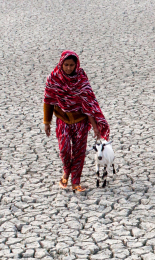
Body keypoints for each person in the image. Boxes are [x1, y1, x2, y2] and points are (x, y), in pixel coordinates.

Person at [43, 51, 110, 192]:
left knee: (79, 152)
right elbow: (48, 100)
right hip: (63, 119)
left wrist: (95, 127)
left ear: (76, 65)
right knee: (64, 149)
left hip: (80, 120)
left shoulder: (81, 80)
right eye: (66, 65)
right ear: (61, 64)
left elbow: (89, 103)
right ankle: (66, 171)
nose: (68, 68)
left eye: (71, 65)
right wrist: (47, 122)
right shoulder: (54, 78)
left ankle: (75, 181)